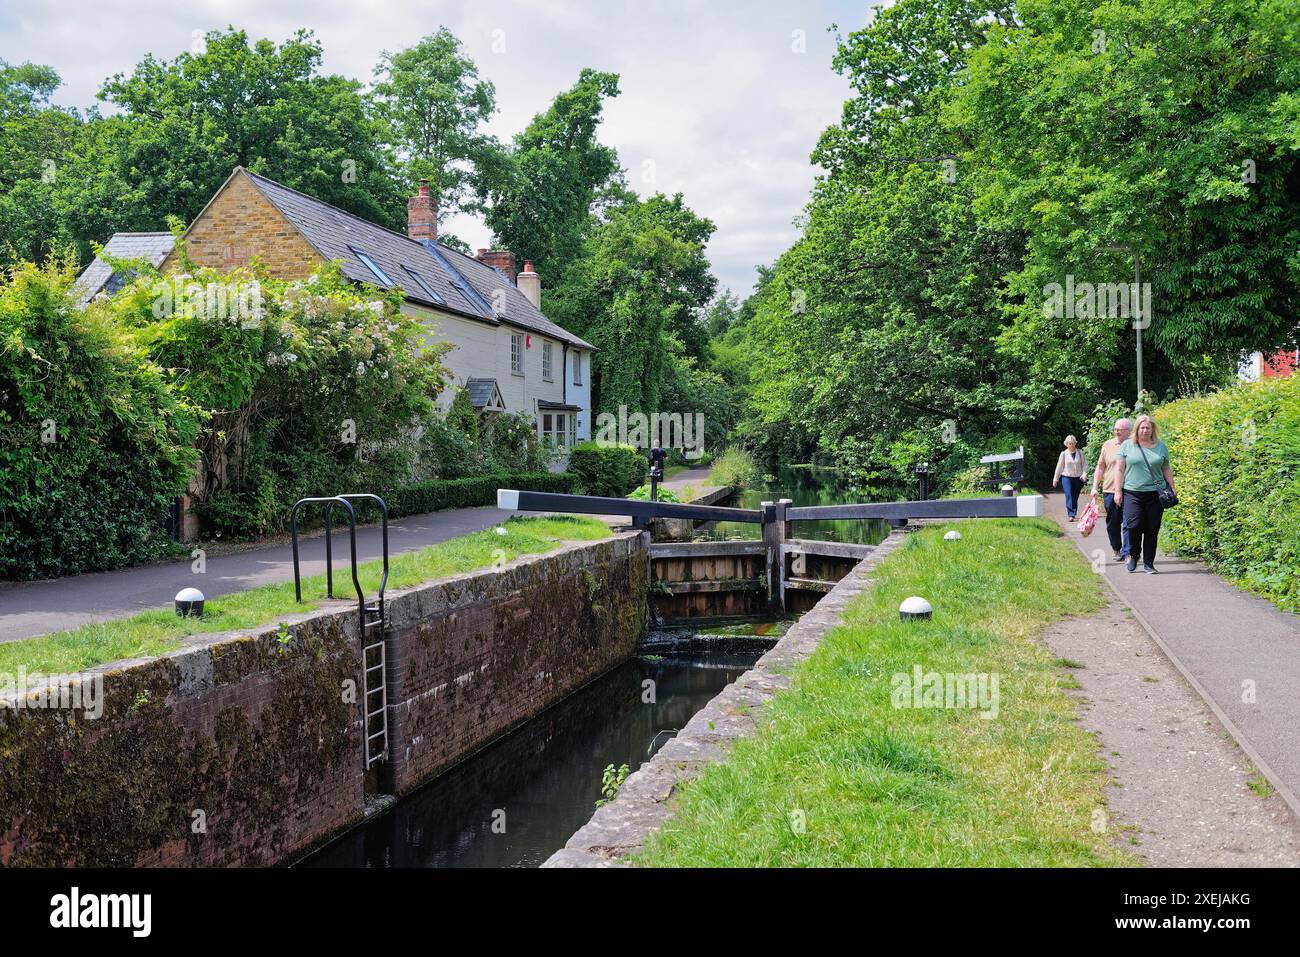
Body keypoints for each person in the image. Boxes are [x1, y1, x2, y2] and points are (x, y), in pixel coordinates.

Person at [1114, 414, 1176, 574]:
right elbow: (1119, 470)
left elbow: (1166, 468)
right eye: (1142, 427)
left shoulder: (1160, 446)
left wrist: (1172, 487)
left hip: (1156, 494)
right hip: (1132, 493)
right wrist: (1117, 490)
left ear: (1152, 429)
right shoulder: (1127, 445)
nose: (1145, 430)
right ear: (1137, 429)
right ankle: (1134, 554)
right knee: (1133, 526)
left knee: (1152, 529)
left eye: (1148, 427)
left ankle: (1149, 563)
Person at [1090, 418, 1132, 562]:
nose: (1117, 432)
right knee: (1113, 523)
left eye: (1120, 430)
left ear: (1129, 431)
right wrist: (1095, 487)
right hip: (1110, 490)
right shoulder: (1107, 445)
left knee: (1129, 523)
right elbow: (1100, 467)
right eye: (1115, 429)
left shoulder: (1135, 445)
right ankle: (1116, 548)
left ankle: (1128, 553)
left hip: (1130, 490)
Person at [1052, 435, 1088, 521]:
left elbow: (1085, 465)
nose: (1071, 445)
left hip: (1078, 478)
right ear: (1066, 444)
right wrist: (1055, 479)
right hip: (1066, 477)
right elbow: (1059, 467)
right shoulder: (1063, 454)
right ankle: (1071, 514)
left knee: (1075, 496)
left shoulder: (1080, 452)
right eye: (1069, 443)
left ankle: (1073, 511)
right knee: (1069, 494)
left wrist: (1084, 474)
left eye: (1072, 443)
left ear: (1075, 443)